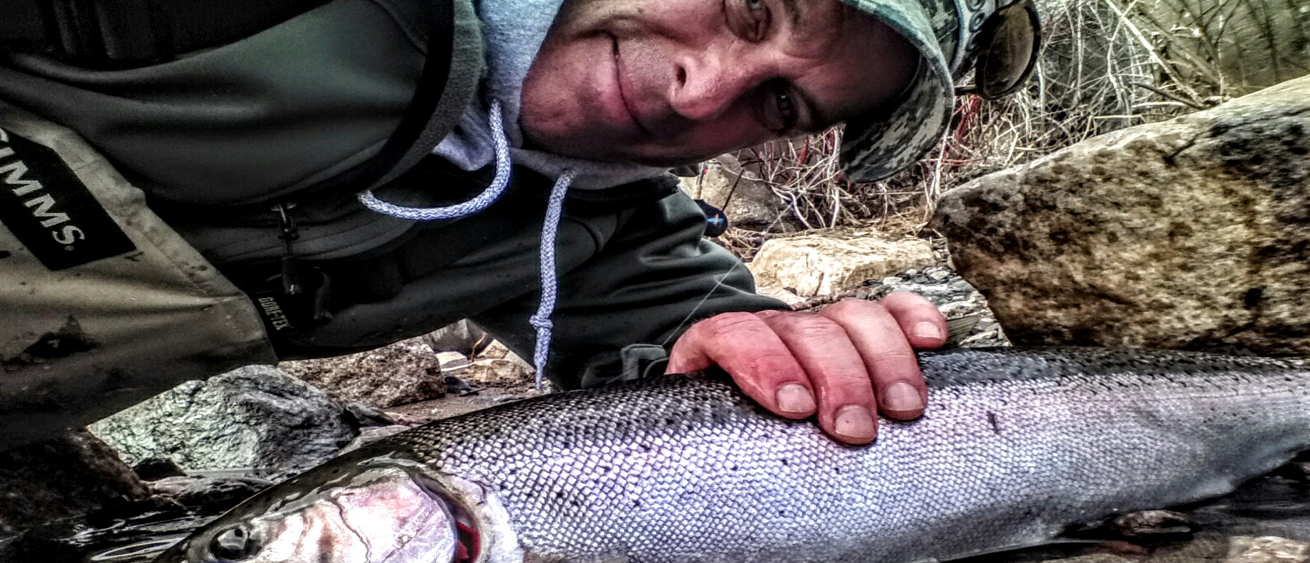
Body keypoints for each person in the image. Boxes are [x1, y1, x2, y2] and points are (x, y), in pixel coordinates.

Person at [0, 0, 1038, 450]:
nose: (700, 90)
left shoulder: (583, 213)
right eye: (748, 8)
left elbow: (690, 326)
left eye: (776, 106)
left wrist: (786, 359)